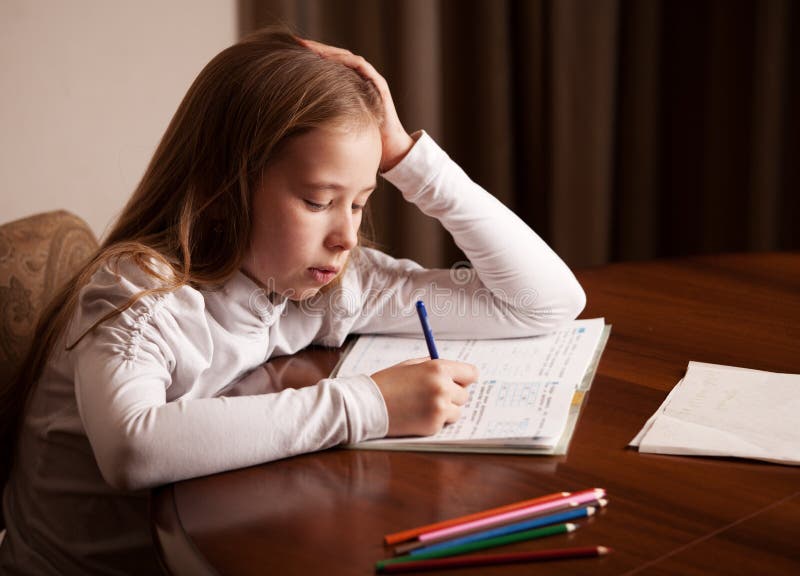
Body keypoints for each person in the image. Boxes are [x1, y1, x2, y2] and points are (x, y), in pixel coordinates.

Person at [0, 27, 585, 575]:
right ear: (222, 189)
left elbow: (544, 303)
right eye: (317, 200)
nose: (347, 236)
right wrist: (368, 405)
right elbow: (131, 447)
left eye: (358, 202)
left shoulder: (327, 285)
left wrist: (408, 156)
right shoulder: (137, 292)